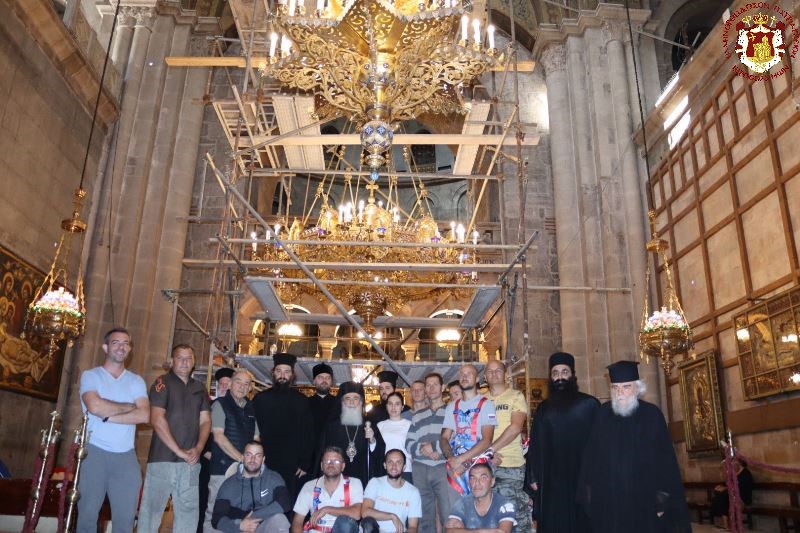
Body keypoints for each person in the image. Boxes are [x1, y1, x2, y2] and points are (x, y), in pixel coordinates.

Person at [577, 360, 691, 533]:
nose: (620, 393)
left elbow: (665, 461)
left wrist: (662, 499)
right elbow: (591, 458)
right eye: (615, 388)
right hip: (610, 500)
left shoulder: (652, 415)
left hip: (644, 500)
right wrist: (590, 495)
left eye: (626, 387)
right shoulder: (603, 414)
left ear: (637, 388)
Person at [76, 327, 149, 533]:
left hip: (126, 456)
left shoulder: (136, 380)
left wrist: (108, 415)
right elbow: (95, 407)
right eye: (116, 342)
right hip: (95, 451)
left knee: (126, 520)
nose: (121, 347)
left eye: (126, 343)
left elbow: (144, 415)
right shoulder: (91, 376)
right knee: (88, 516)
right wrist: (128, 406)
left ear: (130, 349)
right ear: (105, 347)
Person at [138, 344, 212, 532]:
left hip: (190, 463)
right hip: (162, 460)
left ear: (194, 362)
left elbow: (205, 421)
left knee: (188, 516)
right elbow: (156, 418)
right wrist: (179, 451)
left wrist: (199, 447)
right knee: (151, 513)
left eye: (189, 358)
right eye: (180, 357)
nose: (185, 362)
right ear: (172, 360)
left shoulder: (200, 388)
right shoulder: (162, 382)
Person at [526, 352, 599, 533]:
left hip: (583, 477)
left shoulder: (590, 405)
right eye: (555, 373)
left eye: (564, 372)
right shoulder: (544, 409)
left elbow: (600, 444)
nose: (560, 377)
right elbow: (535, 443)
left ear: (572, 375)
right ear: (550, 377)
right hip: (552, 480)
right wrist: (533, 476)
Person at [253, 353, 315, 498]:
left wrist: (305, 463)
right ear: (273, 373)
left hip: (292, 465)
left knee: (288, 501)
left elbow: (308, 434)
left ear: (292, 375)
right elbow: (253, 430)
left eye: (286, 372)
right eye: (279, 371)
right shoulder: (260, 399)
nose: (282, 375)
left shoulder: (302, 401)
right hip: (265, 462)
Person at [205, 369, 259, 533]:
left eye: (246, 384)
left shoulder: (251, 408)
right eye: (238, 382)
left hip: (245, 471)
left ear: (250, 388)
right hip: (223, 469)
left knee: (240, 513)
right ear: (230, 383)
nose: (242, 387)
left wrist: (254, 460)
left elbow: (256, 437)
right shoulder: (219, 404)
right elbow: (219, 437)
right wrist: (243, 459)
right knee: (215, 512)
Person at [407, 372, 458, 532]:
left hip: (443, 468)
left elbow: (457, 439)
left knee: (447, 513)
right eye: (428, 385)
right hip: (420, 469)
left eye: (435, 384)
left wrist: (436, 448)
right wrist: (425, 451)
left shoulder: (452, 411)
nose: (431, 388)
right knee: (424, 514)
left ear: (443, 387)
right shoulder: (418, 416)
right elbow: (408, 443)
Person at [485, 359, 531, 532]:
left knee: (515, 515)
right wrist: (487, 455)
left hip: (510, 465)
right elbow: (476, 432)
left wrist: (490, 450)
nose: (494, 373)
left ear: (505, 374)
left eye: (498, 370)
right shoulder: (481, 400)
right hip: (487, 467)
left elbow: (515, 427)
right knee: (492, 517)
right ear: (485, 376)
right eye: (490, 371)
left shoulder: (516, 396)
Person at [211, 440, 292, 533]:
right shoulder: (229, 485)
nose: (253, 460)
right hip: (239, 529)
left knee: (280, 520)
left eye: (258, 455)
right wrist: (240, 525)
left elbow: (285, 503)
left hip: (264, 527)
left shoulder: (273, 478)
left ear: (263, 459)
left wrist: (253, 517)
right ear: (242, 457)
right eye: (249, 455)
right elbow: (217, 519)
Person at [440, 364, 497, 495]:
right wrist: (451, 459)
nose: (464, 377)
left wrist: (461, 460)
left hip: (478, 465)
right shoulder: (451, 406)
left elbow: (487, 440)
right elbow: (444, 437)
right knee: (454, 510)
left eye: (469, 374)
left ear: (477, 379)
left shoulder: (487, 405)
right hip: (454, 466)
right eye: (461, 374)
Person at [318, 381, 385, 486]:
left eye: (356, 398)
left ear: (361, 402)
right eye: (347, 398)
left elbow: (380, 453)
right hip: (336, 479)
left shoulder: (369, 425)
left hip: (362, 478)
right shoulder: (331, 427)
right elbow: (322, 454)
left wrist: (372, 440)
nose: (352, 403)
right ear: (342, 402)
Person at [292, 446, 364, 533]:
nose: (331, 464)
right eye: (327, 461)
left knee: (345, 524)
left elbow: (357, 513)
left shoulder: (354, 483)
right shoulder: (309, 486)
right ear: (321, 466)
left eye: (336, 461)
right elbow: (297, 522)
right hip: (316, 531)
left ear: (343, 466)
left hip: (344, 530)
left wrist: (326, 509)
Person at [361, 449, 422, 533]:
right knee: (368, 522)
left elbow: (413, 527)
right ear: (385, 465)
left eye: (398, 462)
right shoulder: (375, 483)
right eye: (390, 462)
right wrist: (392, 516)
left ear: (404, 467)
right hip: (374, 530)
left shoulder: (413, 492)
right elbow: (365, 512)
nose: (394, 466)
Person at [445, 462, 518, 532]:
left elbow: (503, 532)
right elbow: (449, 531)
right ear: (468, 482)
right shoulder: (462, 503)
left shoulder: (505, 504)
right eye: (473, 478)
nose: (477, 483)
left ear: (492, 482)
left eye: (483, 478)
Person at [376, 392, 412, 481]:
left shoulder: (410, 425)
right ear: (386, 406)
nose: (393, 407)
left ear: (402, 407)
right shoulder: (380, 425)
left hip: (405, 469)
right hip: (385, 469)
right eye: (390, 404)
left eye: (397, 404)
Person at [711, 458, 753, 530]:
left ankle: (726, 523)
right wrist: (721, 486)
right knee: (718, 494)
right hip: (732, 495)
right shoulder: (734, 473)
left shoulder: (746, 473)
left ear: (739, 463)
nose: (732, 465)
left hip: (742, 497)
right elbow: (728, 483)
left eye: (733, 463)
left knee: (723, 495)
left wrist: (726, 489)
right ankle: (724, 523)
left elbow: (740, 488)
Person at [309, 362, 337, 447]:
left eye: (328, 378)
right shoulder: (305, 404)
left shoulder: (338, 403)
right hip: (310, 451)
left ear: (331, 381)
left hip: (333, 449)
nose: (324, 381)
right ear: (314, 381)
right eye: (320, 377)